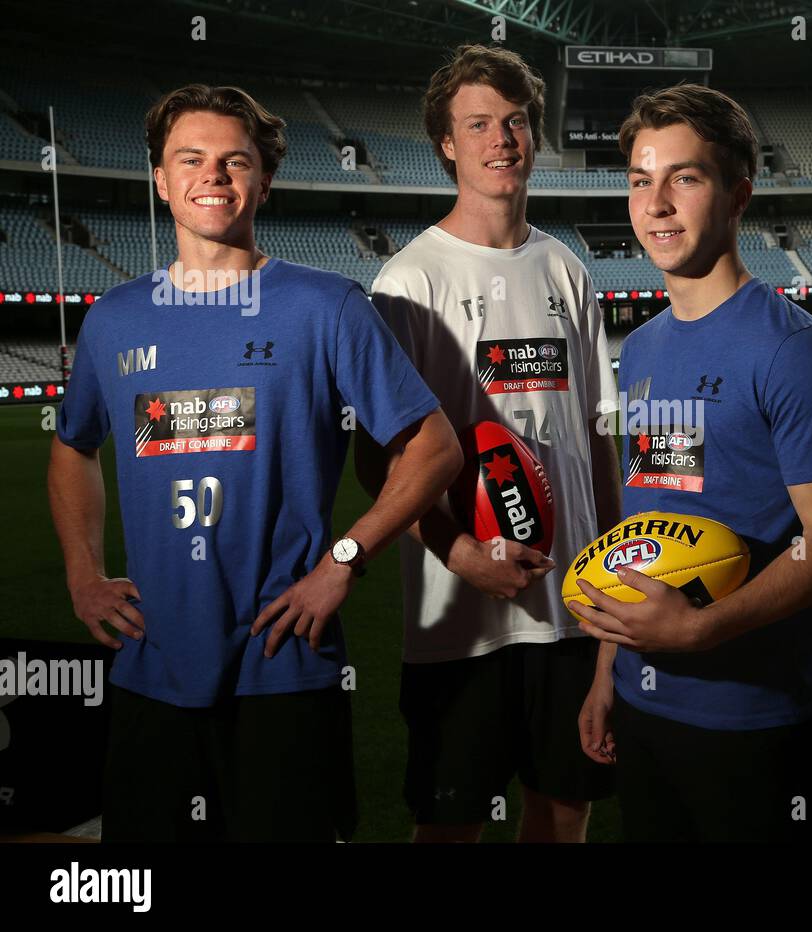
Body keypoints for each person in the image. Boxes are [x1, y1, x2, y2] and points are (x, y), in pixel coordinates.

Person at [48, 84, 461, 842]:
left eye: (234, 161)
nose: (213, 174)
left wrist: (343, 560)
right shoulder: (113, 319)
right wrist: (83, 572)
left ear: (263, 181)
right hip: (153, 661)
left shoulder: (327, 306)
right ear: (161, 180)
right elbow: (72, 444)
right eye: (190, 159)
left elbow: (434, 446)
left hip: (285, 661)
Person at [570, 84, 812, 842]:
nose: (656, 204)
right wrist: (607, 673)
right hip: (642, 706)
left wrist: (702, 630)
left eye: (685, 177)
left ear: (739, 193)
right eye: (641, 180)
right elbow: (641, 526)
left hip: (751, 720)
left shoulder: (792, 351)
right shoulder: (641, 348)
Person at [355, 45, 620, 843]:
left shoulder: (567, 268)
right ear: (447, 143)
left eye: (515, 121)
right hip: (458, 623)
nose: (501, 139)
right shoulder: (408, 282)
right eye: (478, 125)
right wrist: (463, 553)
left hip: (571, 610)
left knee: (563, 815)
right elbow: (376, 461)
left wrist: (612, 578)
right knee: (449, 825)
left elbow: (598, 443)